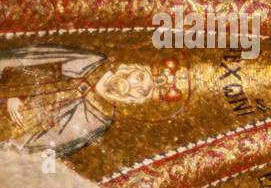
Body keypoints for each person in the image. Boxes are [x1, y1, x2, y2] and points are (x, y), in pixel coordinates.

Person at [0, 45, 180, 156]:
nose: (133, 85)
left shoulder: (100, 117)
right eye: (139, 77)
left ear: (137, 100)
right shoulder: (93, 62)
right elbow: (39, 60)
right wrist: (15, 93)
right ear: (129, 67)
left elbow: (49, 141)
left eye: (142, 90)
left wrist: (15, 147)